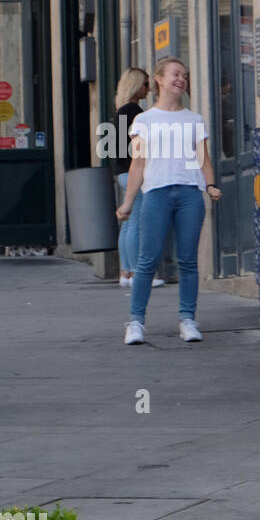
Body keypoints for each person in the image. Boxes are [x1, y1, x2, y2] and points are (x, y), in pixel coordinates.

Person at [115, 58, 221, 345]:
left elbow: (204, 159)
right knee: (147, 261)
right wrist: (127, 203)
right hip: (156, 194)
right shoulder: (143, 120)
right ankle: (135, 321)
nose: (181, 79)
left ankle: (188, 319)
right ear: (159, 79)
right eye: (175, 74)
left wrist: (210, 184)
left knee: (187, 261)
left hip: (190, 194)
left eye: (184, 75)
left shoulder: (194, 119)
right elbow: (138, 164)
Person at [109, 68, 163, 290]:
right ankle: (137, 274)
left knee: (128, 224)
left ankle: (125, 272)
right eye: (145, 84)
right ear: (136, 86)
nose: (148, 89)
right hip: (133, 171)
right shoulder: (134, 111)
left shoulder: (120, 111)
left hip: (121, 171)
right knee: (137, 224)